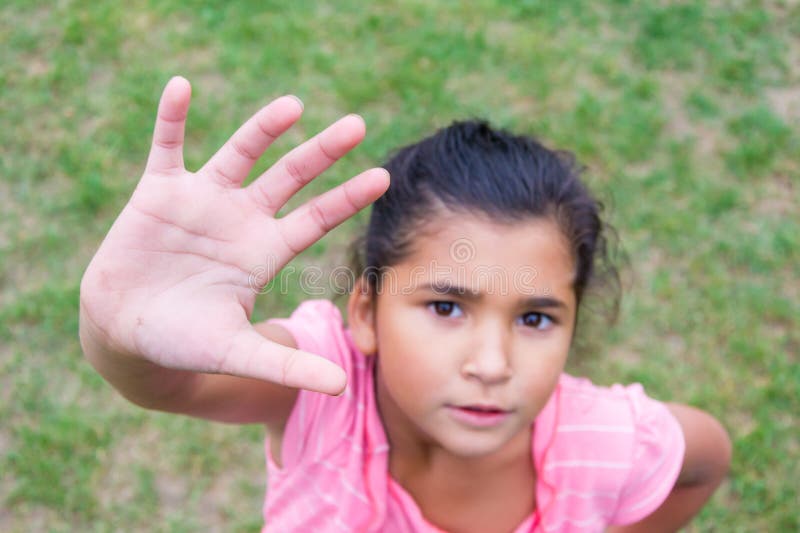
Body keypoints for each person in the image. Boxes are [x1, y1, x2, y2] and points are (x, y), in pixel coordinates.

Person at [79, 76, 732, 532]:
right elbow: (173, 383)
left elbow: (705, 460)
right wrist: (121, 328)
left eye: (535, 317)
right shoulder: (320, 390)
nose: (491, 361)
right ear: (365, 311)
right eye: (447, 307)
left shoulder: (598, 442)